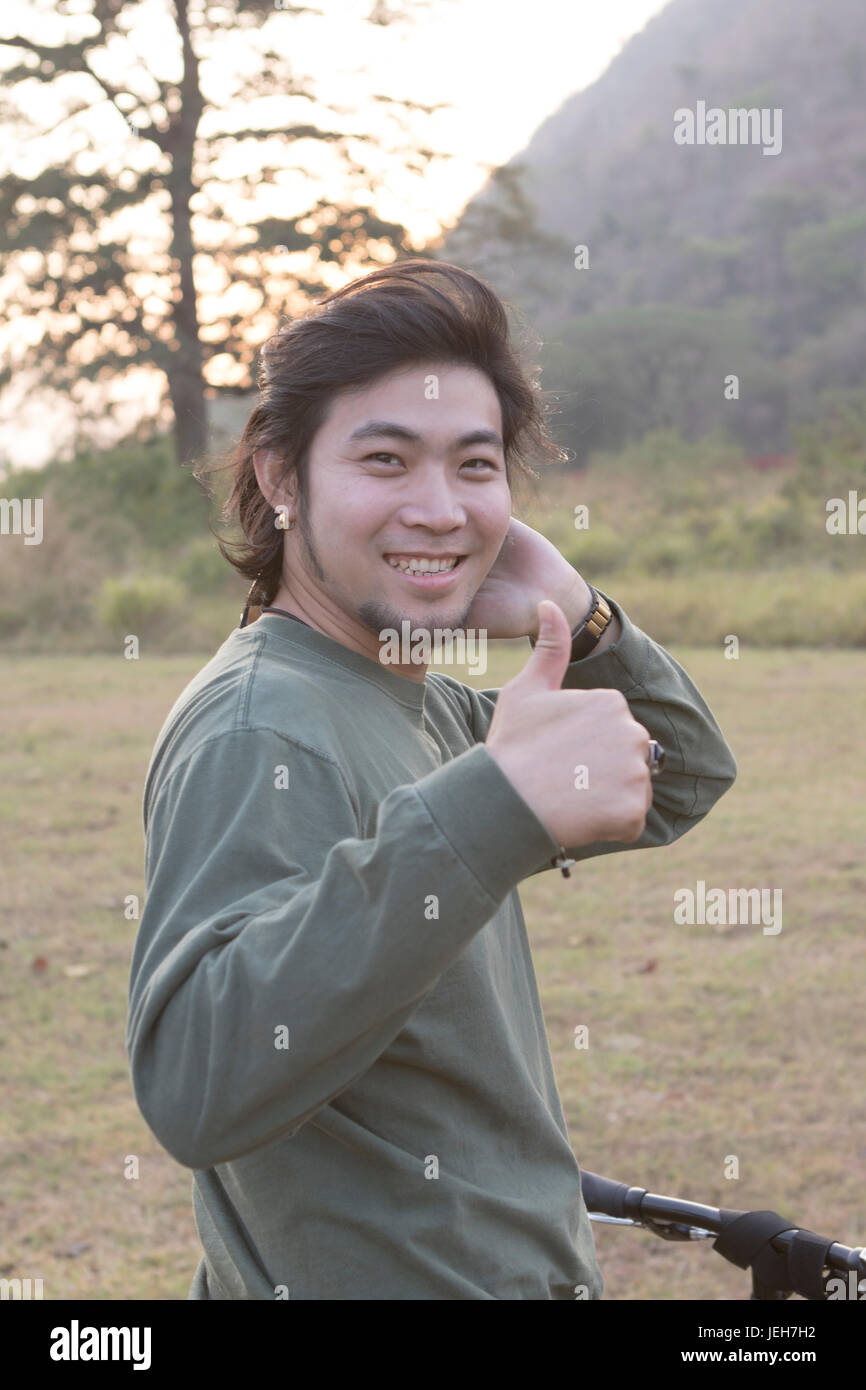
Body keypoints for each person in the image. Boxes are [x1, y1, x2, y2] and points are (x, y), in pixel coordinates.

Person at [126, 259, 737, 1300]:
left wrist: (579, 617)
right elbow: (195, 1085)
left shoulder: (415, 697)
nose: (440, 508)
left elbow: (676, 777)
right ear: (281, 477)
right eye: (385, 460)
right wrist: (493, 805)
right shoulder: (263, 726)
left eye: (473, 466)